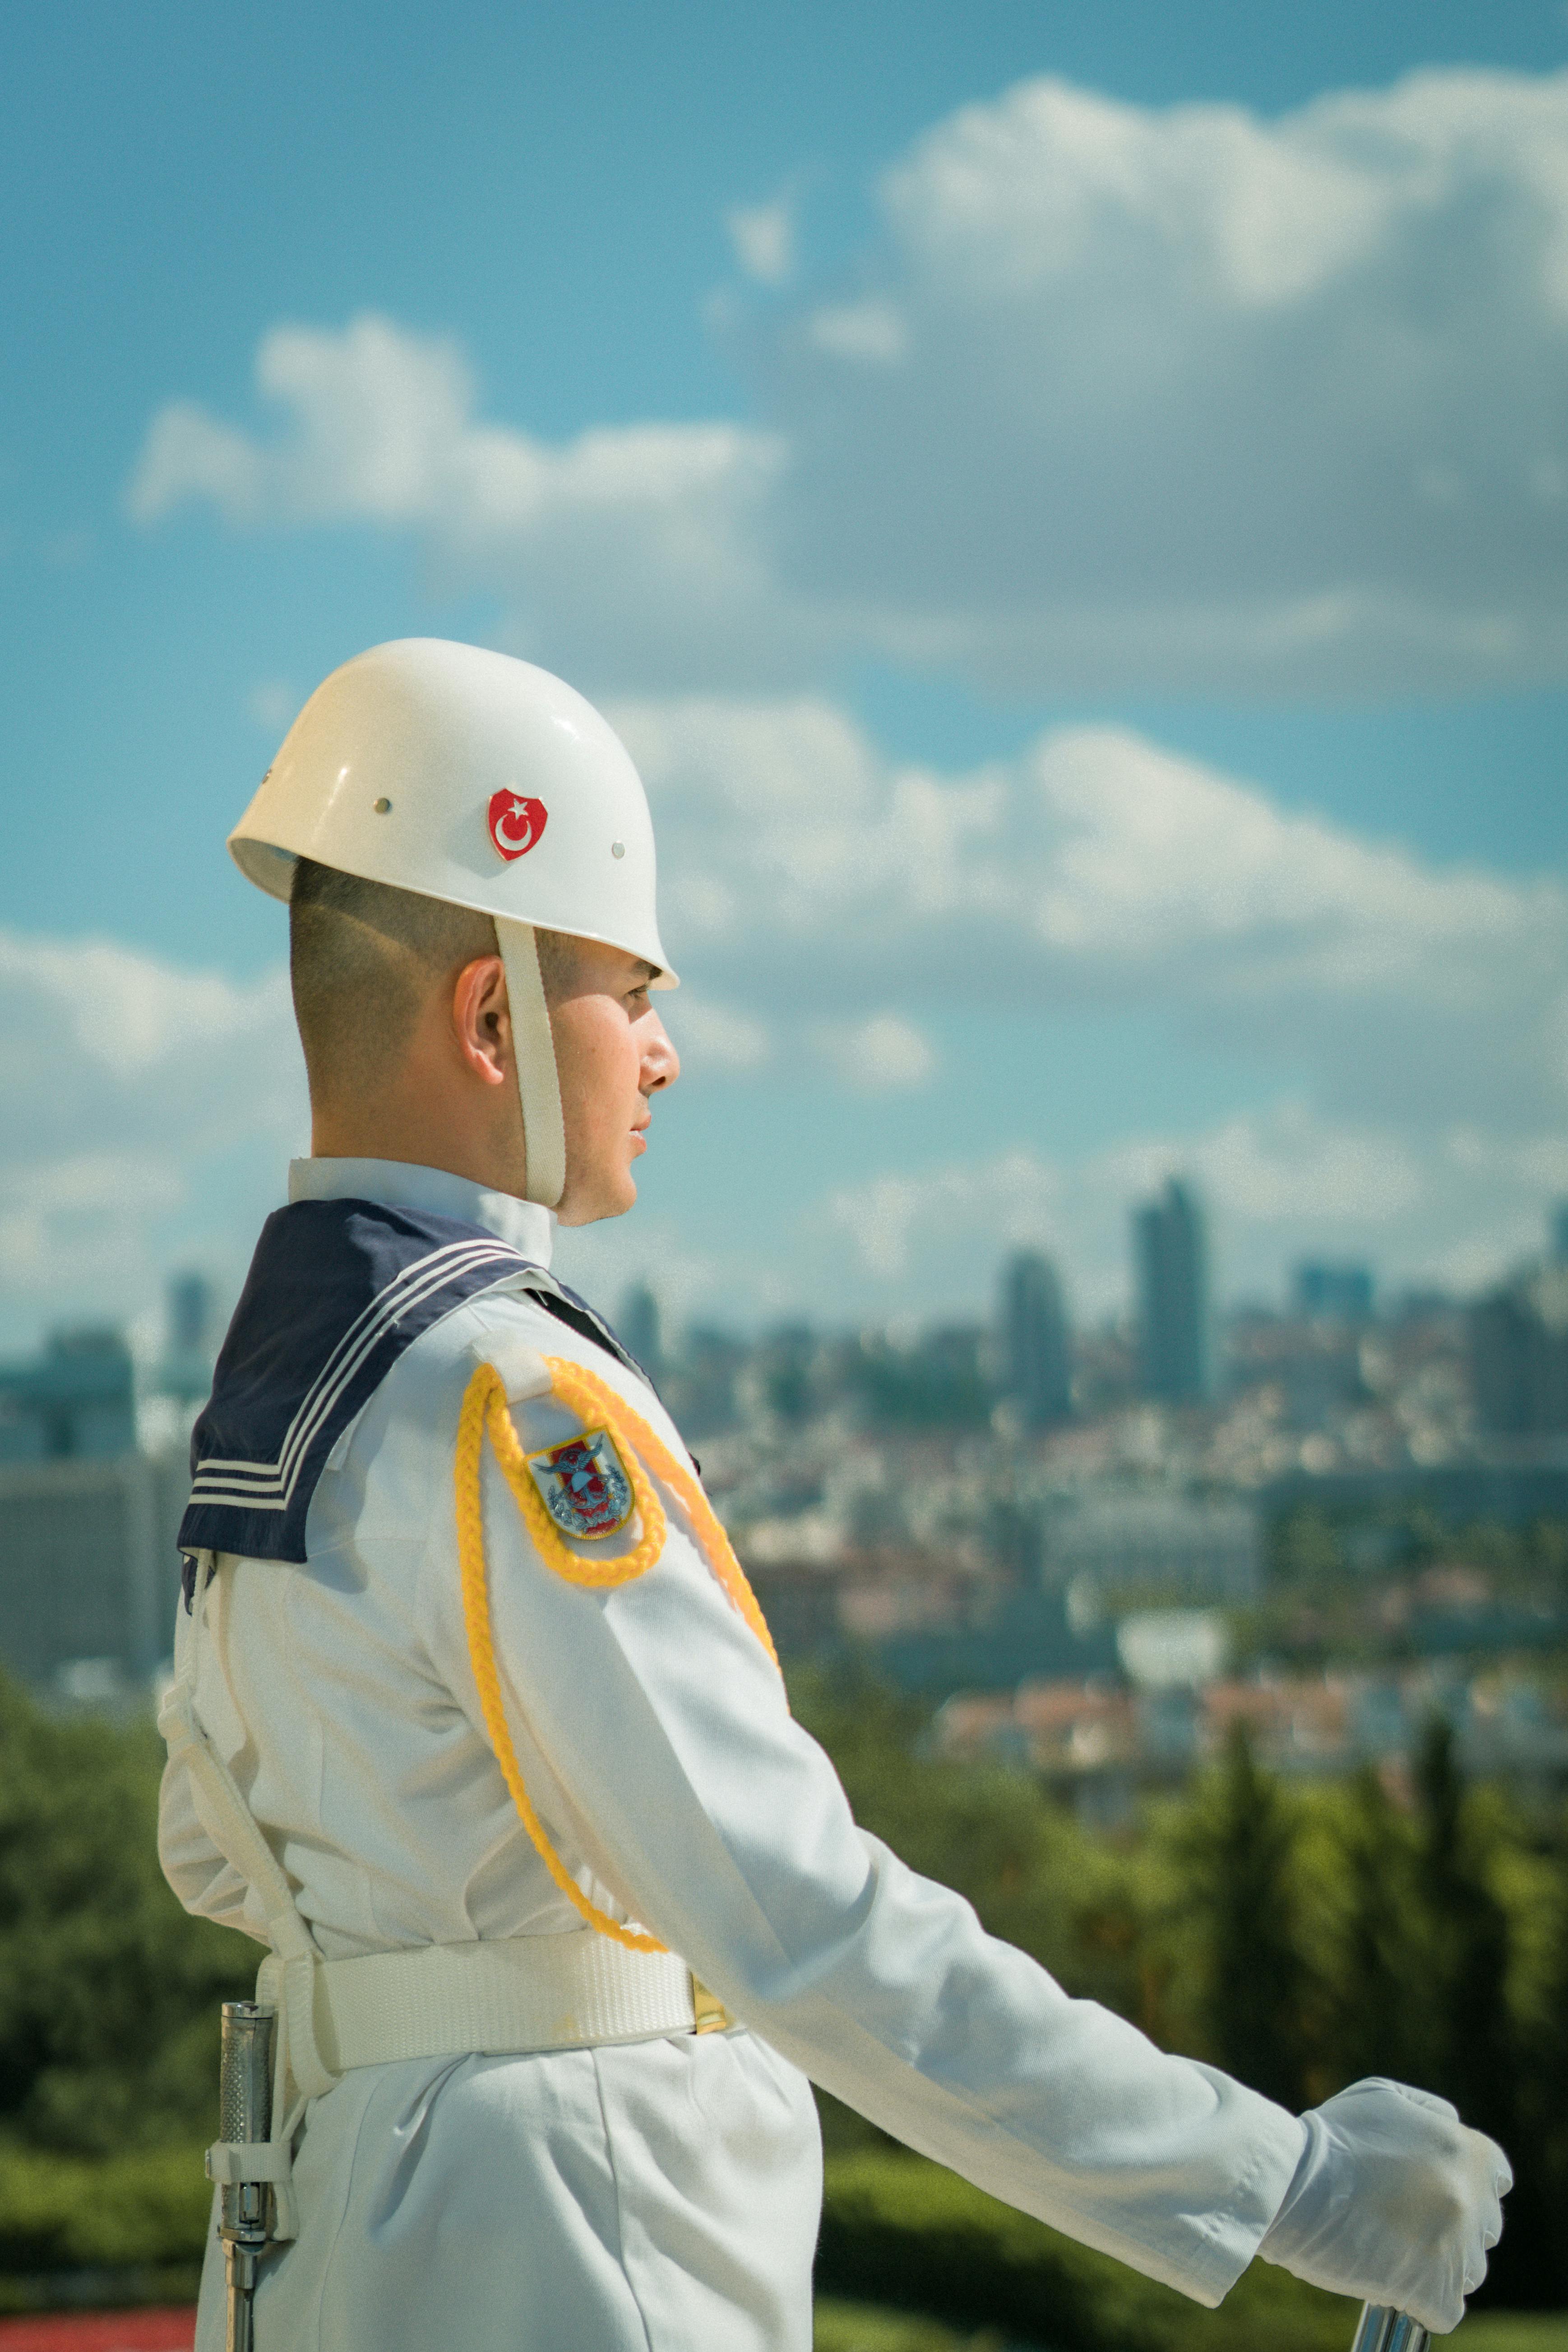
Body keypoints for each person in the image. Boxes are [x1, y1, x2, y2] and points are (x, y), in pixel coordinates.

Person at [159, 638, 1509, 2352]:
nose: (661, 1054)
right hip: (564, 2249)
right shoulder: (509, 1393)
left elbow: (213, 1850)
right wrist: (1291, 2180)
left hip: (316, 2229)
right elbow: (802, 1925)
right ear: (492, 1014)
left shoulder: (275, 1394)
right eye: (631, 991)